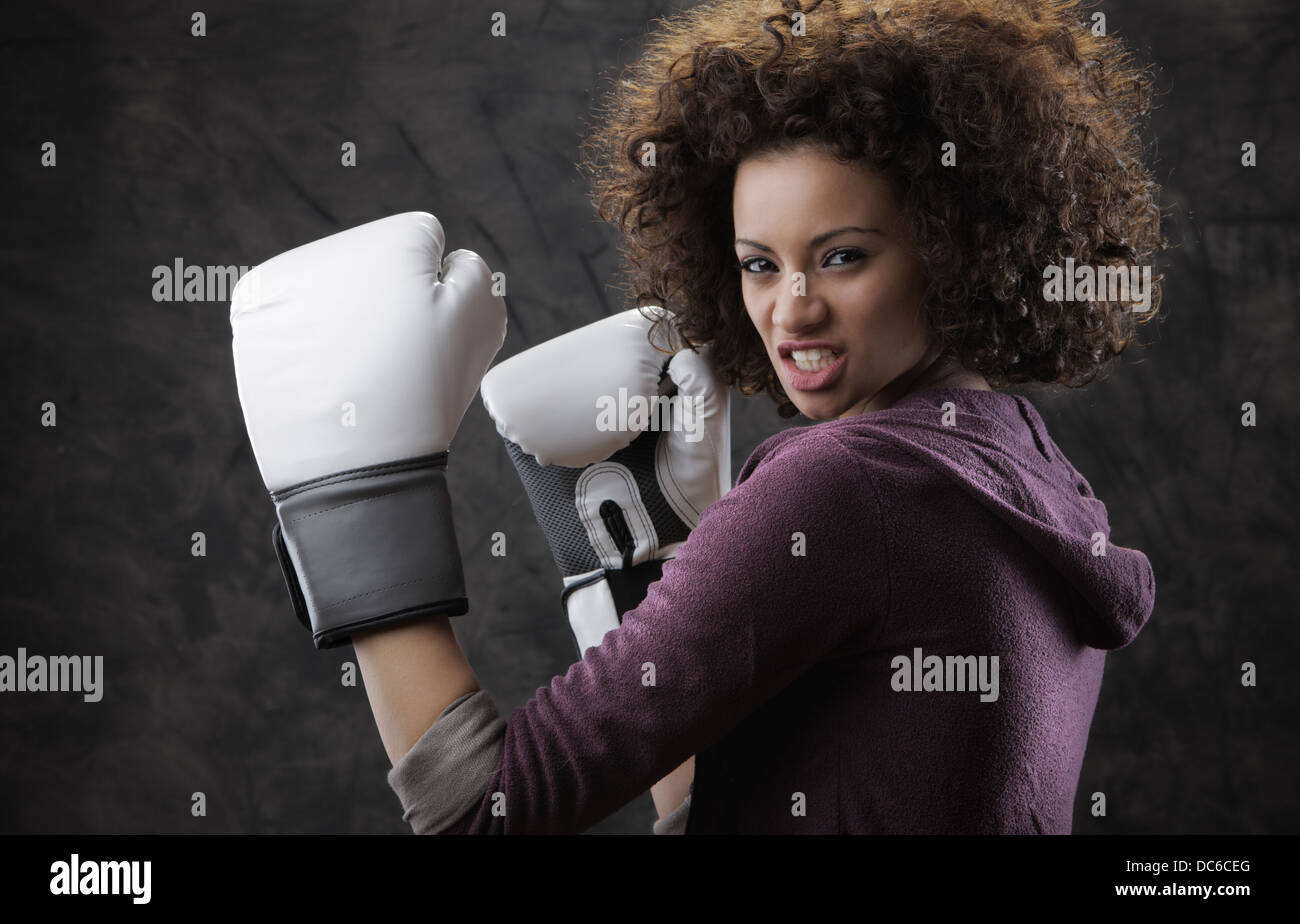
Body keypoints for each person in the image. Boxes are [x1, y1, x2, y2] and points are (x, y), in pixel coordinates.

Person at [237, 0, 1163, 834]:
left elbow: (484, 811)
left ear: (957, 247)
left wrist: (353, 492)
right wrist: (641, 571)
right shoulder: (1026, 470)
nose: (791, 310)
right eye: (759, 264)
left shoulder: (845, 488)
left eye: (842, 256)